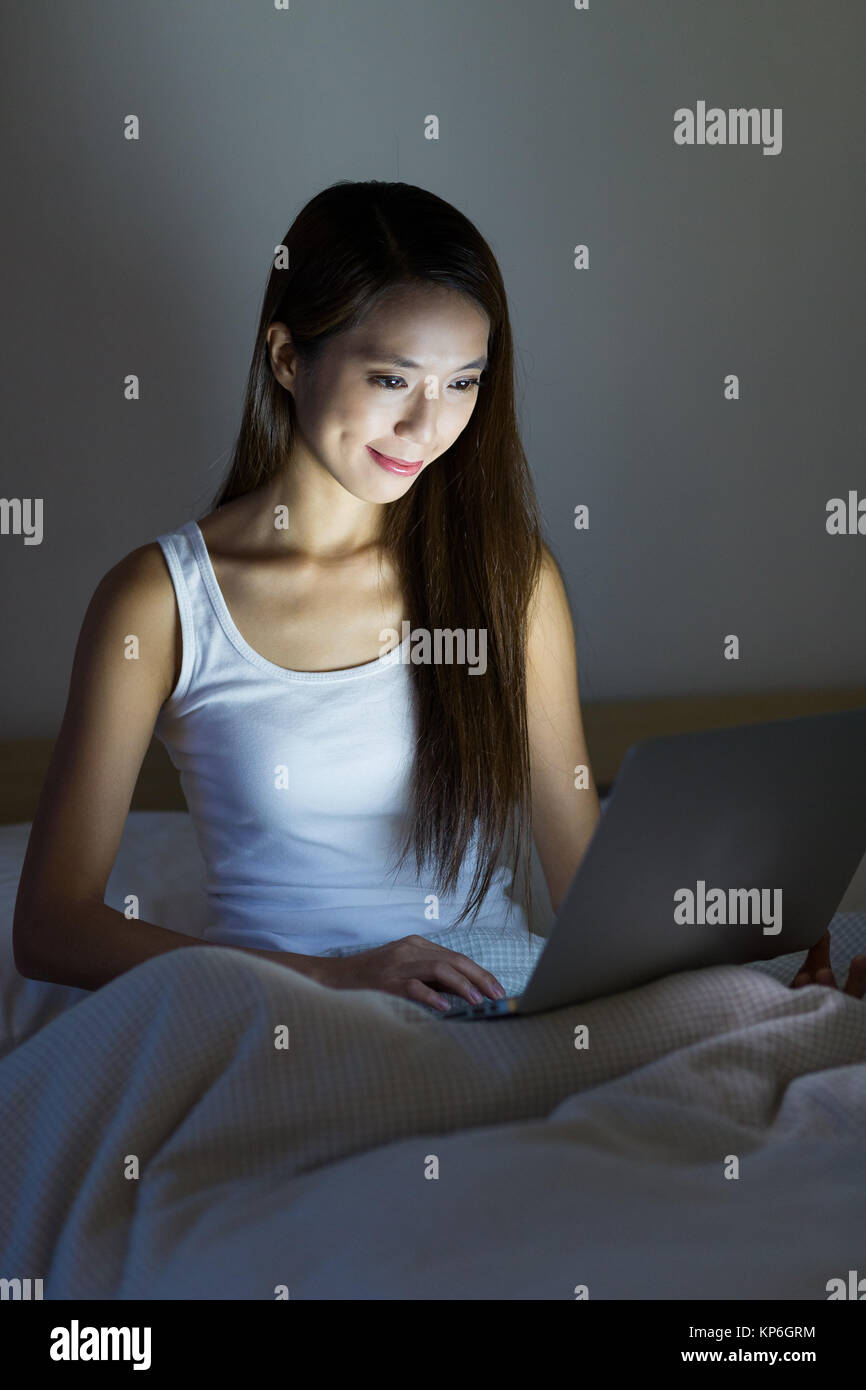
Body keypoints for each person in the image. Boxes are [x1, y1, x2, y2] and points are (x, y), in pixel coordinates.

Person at [12, 180, 865, 1007]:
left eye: (462, 382)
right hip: (282, 1013)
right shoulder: (160, 600)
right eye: (392, 380)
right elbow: (52, 927)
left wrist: (748, 978)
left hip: (492, 997)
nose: (430, 427)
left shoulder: (509, 578)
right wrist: (329, 978)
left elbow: (584, 888)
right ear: (285, 357)